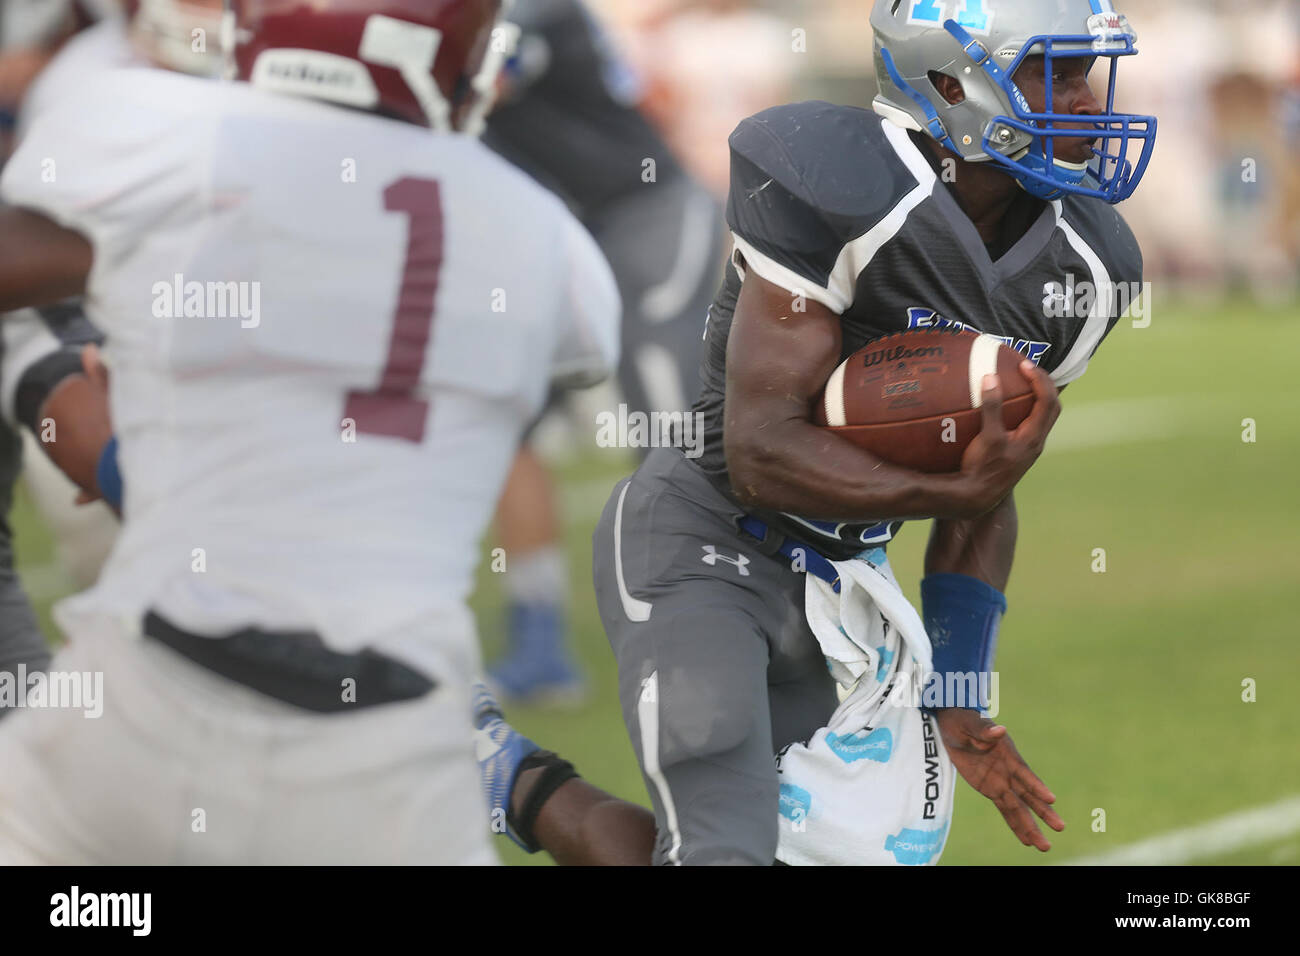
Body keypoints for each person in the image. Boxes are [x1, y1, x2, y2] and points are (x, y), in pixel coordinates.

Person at [480, 0, 1156, 865]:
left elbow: (985, 496)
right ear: (951, 82)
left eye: (1086, 71)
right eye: (1053, 72)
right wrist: (953, 489)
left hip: (843, 580)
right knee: (722, 849)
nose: (1089, 101)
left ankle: (504, 776)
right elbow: (760, 453)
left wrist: (960, 694)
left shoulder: (1090, 268)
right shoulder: (834, 180)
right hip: (702, 538)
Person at [0, 0, 619, 864]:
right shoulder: (550, 243)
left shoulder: (147, 124)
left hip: (145, 687)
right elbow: (560, 342)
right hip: (390, 745)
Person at [481, 0, 725, 704]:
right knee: (509, 414)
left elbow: (476, 81)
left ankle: (720, 614)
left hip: (646, 210)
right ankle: (539, 639)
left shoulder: (534, 10)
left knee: (658, 400)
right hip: (557, 230)